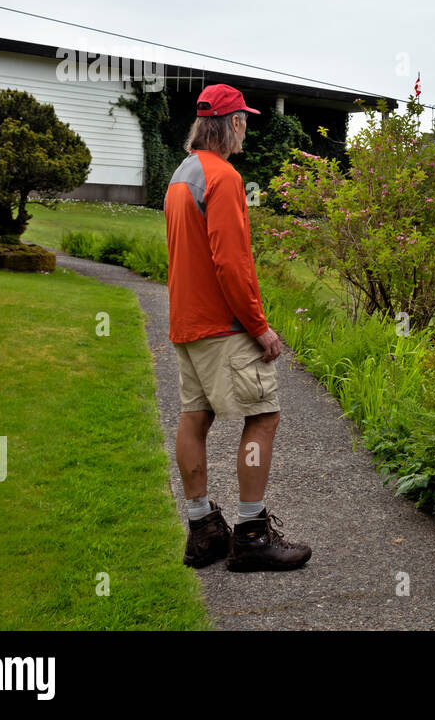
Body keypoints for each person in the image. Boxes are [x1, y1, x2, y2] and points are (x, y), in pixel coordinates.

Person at [165, 83, 311, 572]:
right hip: (224, 327)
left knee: (195, 417)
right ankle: (251, 536)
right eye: (243, 120)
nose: (245, 127)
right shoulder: (224, 177)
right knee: (264, 415)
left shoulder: (180, 176)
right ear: (232, 124)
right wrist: (260, 326)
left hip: (186, 324)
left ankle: (203, 531)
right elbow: (230, 264)